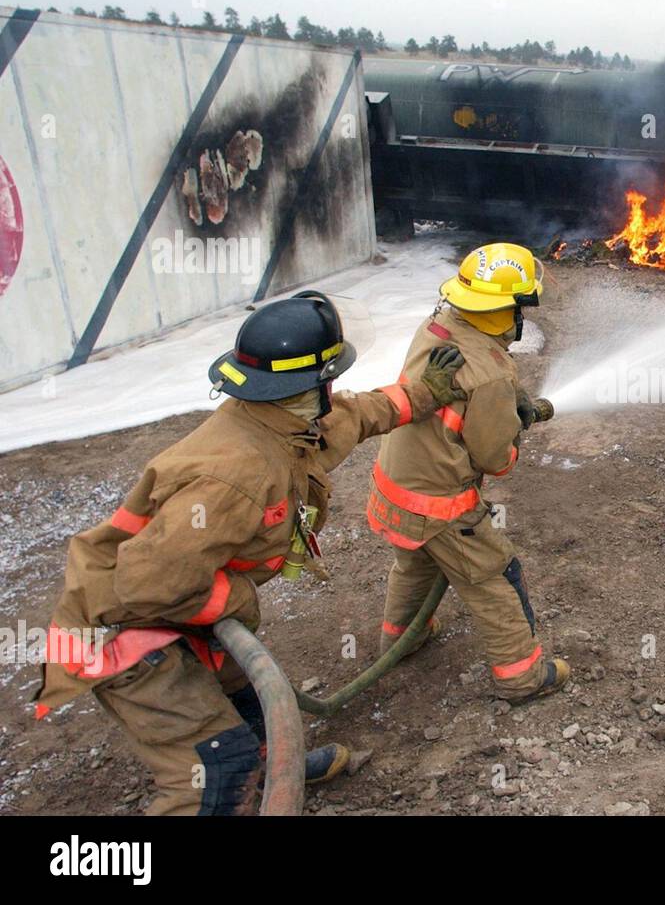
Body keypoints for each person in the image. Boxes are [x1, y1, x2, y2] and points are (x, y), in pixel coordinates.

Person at [34, 290, 467, 815]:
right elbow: (149, 583)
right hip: (129, 631)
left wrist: (425, 392)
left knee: (246, 693)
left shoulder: (279, 422)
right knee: (216, 772)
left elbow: (357, 415)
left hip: (179, 610)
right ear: (313, 386)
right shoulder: (240, 474)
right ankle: (246, 778)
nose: (335, 389)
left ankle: (278, 766)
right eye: (329, 379)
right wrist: (235, 600)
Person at [367, 243, 568, 704]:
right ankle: (522, 677)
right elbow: (495, 458)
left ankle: (402, 640)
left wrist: (509, 405)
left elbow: (460, 400)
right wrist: (513, 429)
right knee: (494, 578)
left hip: (395, 484)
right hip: (439, 505)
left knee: (414, 564)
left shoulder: (436, 327)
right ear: (507, 310)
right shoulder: (491, 374)